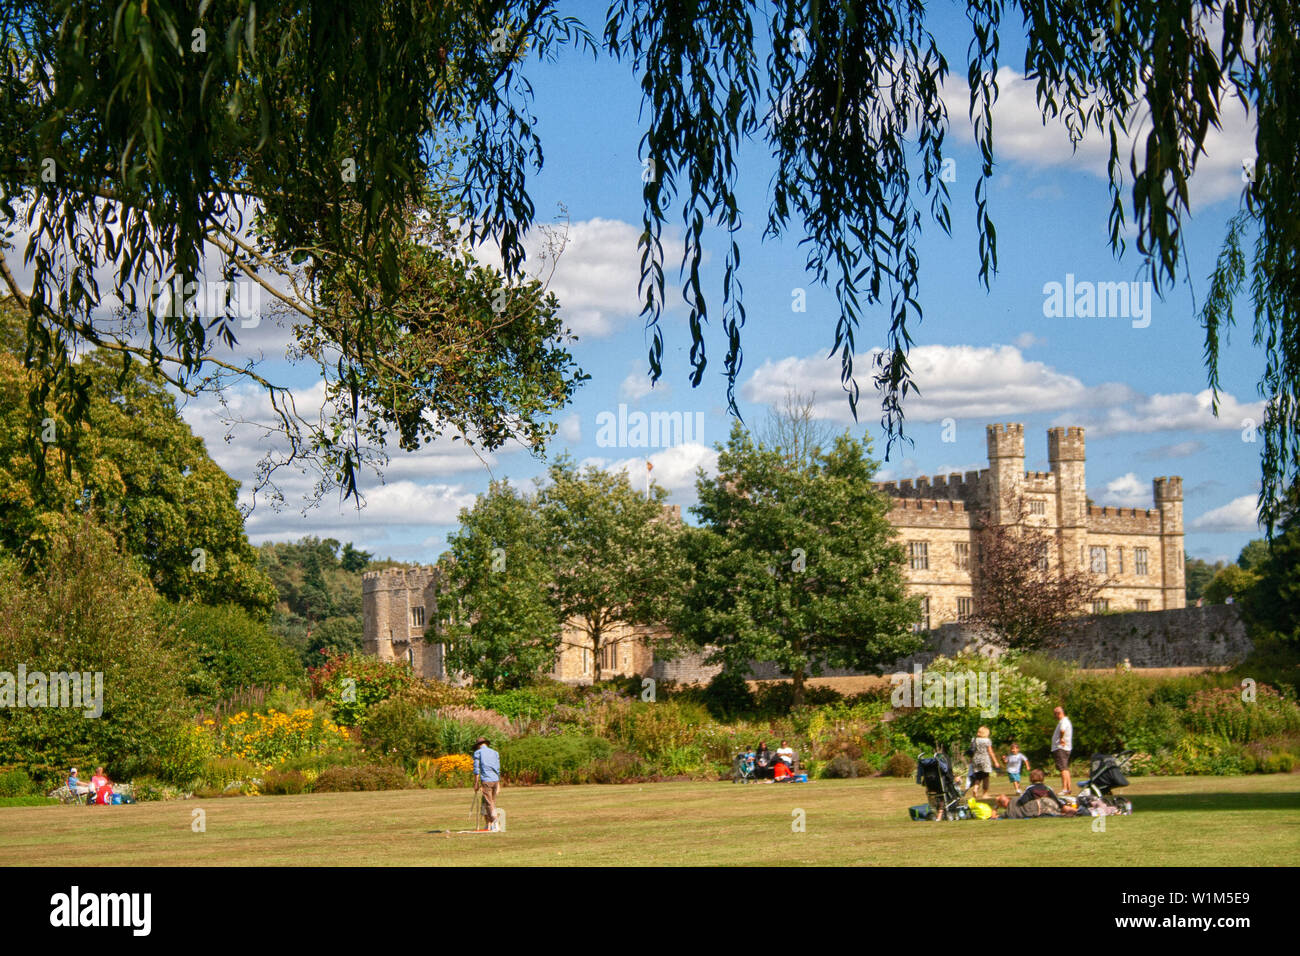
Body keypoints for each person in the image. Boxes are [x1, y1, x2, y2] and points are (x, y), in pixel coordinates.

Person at [472, 737, 502, 831]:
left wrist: (476, 783)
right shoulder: (495, 752)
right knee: (489, 802)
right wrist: (499, 784)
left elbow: (477, 769)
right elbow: (497, 768)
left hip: (486, 780)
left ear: (478, 745)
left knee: (489, 803)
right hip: (495, 780)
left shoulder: (478, 753)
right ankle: (488, 824)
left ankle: (495, 822)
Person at [969, 726, 1001, 796]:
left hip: (976, 759)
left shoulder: (974, 739)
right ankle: (985, 793)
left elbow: (972, 750)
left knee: (978, 776)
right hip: (984, 759)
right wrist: (995, 761)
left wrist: (970, 760)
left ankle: (975, 788)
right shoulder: (987, 740)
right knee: (986, 777)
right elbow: (990, 752)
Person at [1050, 706, 1073, 794]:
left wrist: (1061, 739)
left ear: (1059, 713)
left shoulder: (1063, 721)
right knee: (1065, 768)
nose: (1054, 716)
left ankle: (1064, 789)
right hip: (1064, 748)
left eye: (1055, 714)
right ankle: (1068, 788)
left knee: (1063, 769)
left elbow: (1062, 730)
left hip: (1060, 748)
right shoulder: (1066, 721)